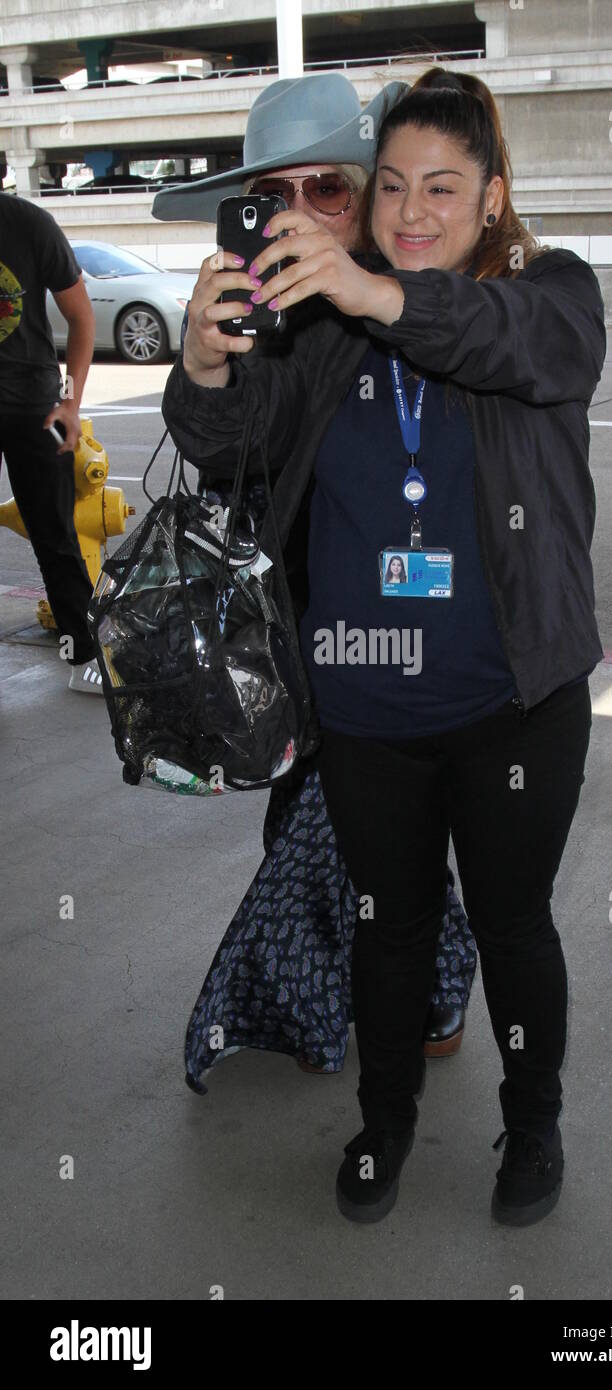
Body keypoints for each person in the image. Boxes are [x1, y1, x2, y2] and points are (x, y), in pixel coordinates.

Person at [161, 66, 607, 1228]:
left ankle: (536, 1118)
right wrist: (206, 362)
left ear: (492, 200)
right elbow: (228, 443)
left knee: (512, 928)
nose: (411, 212)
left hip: (516, 701)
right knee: (387, 927)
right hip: (365, 715)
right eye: (394, 185)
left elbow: (524, 345)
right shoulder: (320, 333)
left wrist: (376, 296)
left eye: (442, 190)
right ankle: (389, 1117)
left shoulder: (548, 295)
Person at [153, 74, 476, 1079]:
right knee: (323, 820)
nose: (300, 218)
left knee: (371, 832)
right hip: (290, 622)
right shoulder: (263, 313)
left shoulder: (424, 297)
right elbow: (224, 437)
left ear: (371, 194)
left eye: (326, 191)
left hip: (416, 642)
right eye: (273, 196)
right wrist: (205, 360)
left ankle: (366, 995)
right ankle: (412, 987)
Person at [0, 191, 103, 694]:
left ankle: (87, 657)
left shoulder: (29, 225)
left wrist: (71, 402)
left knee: (55, 541)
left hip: (35, 409)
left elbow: (82, 318)